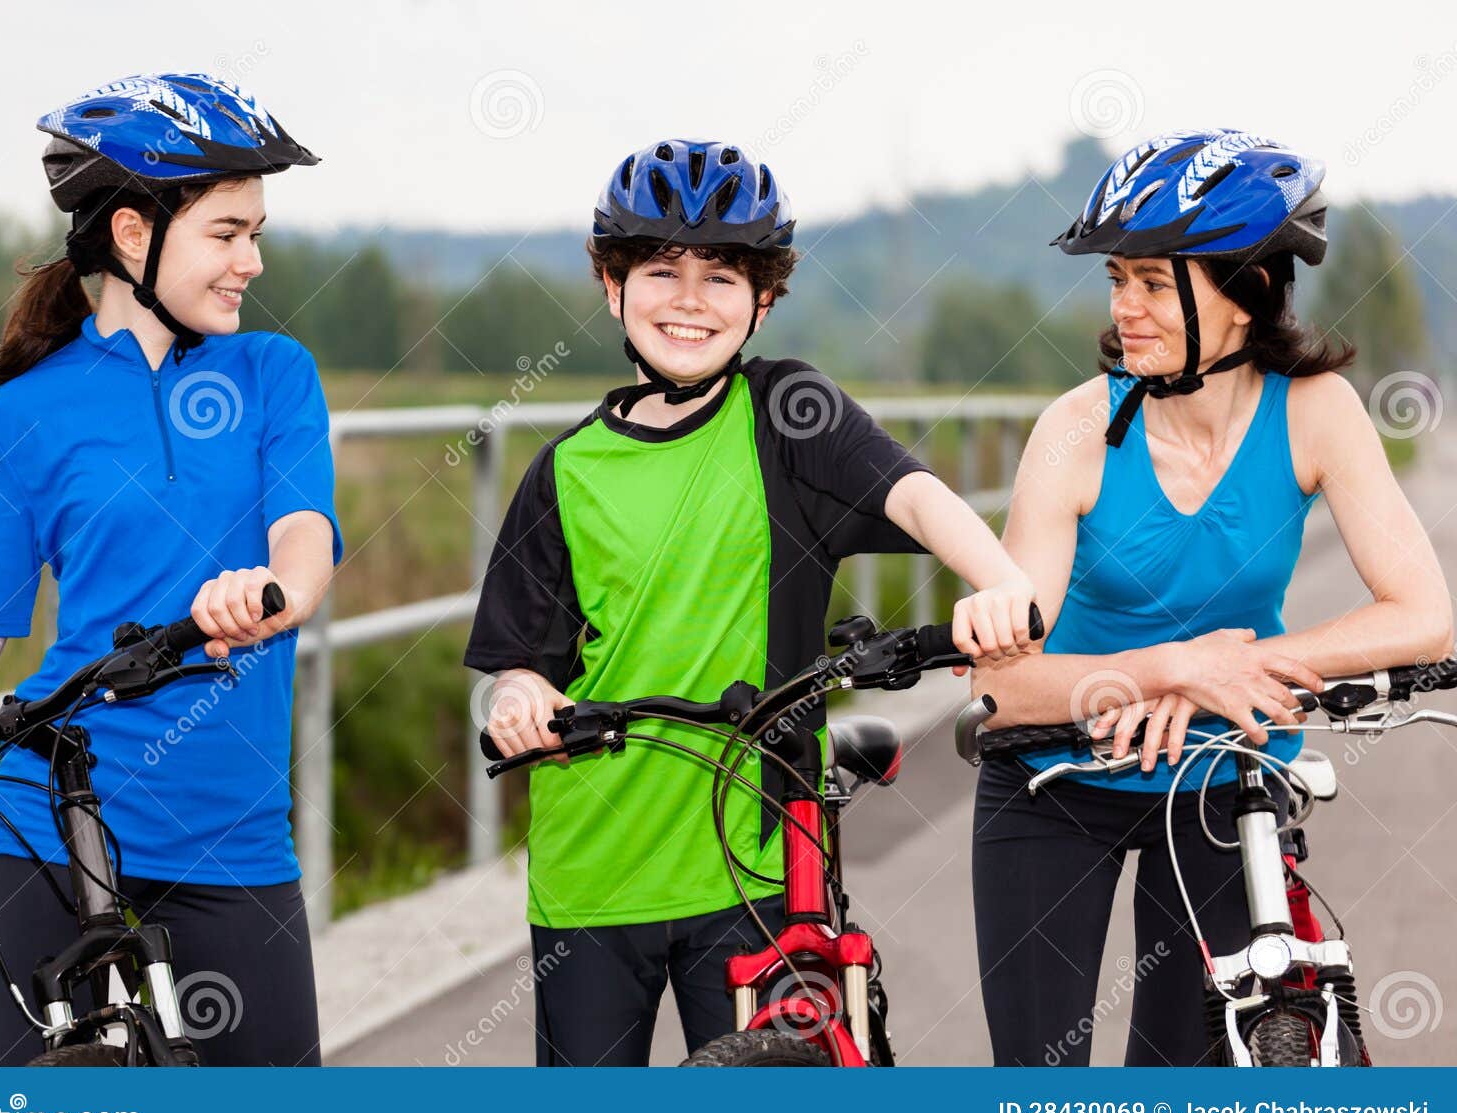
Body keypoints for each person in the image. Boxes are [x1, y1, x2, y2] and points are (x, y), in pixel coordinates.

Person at [465, 138, 1037, 1066]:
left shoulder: (786, 411)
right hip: (590, 876)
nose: (689, 299)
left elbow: (914, 492)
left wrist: (1001, 581)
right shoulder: (564, 471)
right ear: (612, 285)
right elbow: (515, 660)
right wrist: (521, 697)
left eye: (722, 276)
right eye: (660, 269)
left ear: (764, 296)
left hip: (756, 864)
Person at [0, 73, 343, 1066]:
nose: (252, 259)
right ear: (133, 234)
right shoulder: (29, 410)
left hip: (230, 832)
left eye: (257, 231)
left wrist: (272, 592)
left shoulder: (272, 373)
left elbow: (306, 537)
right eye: (227, 232)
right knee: (35, 1108)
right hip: (45, 819)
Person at [971, 129, 1453, 1065]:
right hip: (1053, 775)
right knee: (1039, 1088)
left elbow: (1421, 612)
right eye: (1118, 280)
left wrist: (1229, 675)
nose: (1124, 307)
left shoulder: (1315, 412)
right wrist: (1175, 665)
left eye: (1154, 282)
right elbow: (999, 688)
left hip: (1221, 774)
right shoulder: (1074, 430)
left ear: (1249, 293)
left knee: (1186, 1078)